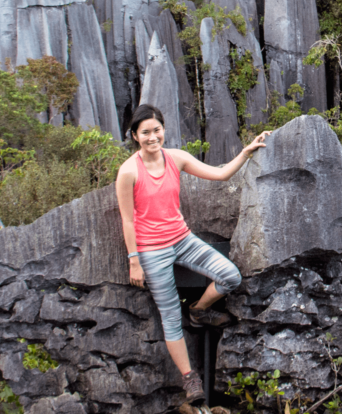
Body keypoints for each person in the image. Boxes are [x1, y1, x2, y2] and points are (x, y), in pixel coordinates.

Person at [115, 103, 270, 405]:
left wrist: (246, 151)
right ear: (135, 136)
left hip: (183, 240)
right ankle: (190, 379)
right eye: (145, 132)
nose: (152, 137)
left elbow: (222, 174)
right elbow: (128, 219)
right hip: (151, 252)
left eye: (156, 130)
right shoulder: (128, 172)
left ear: (163, 130)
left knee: (230, 275)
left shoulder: (177, 158)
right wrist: (134, 260)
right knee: (170, 316)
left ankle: (199, 310)